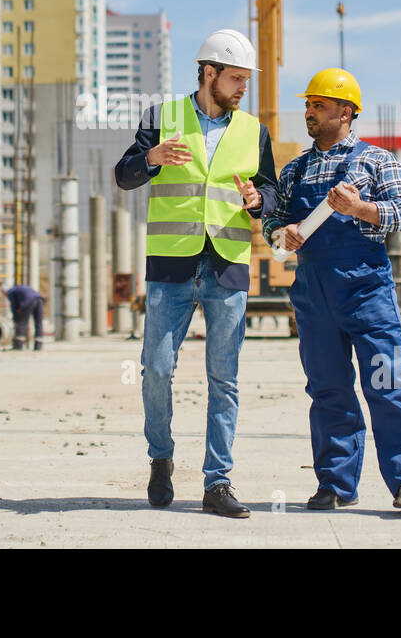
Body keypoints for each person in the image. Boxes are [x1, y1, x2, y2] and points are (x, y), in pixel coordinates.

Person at [114, 28, 277, 519]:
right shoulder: (161, 119)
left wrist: (258, 201)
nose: (243, 87)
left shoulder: (254, 130)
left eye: (246, 79)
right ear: (209, 73)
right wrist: (151, 158)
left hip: (227, 266)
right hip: (171, 265)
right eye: (235, 78)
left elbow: (270, 193)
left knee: (224, 379)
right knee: (157, 369)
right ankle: (160, 458)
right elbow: (124, 175)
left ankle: (217, 482)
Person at [262, 67, 401, 511]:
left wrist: (359, 207)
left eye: (318, 104)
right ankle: (335, 483)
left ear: (346, 111)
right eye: (308, 104)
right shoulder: (294, 169)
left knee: (388, 381)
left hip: (365, 286)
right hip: (313, 289)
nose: (309, 111)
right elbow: (272, 224)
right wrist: (284, 234)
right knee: (327, 388)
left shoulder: (375, 162)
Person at [3, 283, 45, 351]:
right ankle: (38, 344)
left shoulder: (10, 292)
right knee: (38, 322)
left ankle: (19, 344)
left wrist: (15, 318)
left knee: (21, 322)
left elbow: (14, 306)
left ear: (5, 291)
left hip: (28, 301)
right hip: (39, 299)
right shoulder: (17, 289)